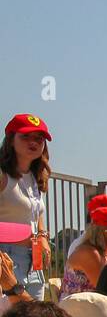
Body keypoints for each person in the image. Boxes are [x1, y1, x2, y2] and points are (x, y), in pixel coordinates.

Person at [0, 114, 54, 300]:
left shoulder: (35, 176)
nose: (33, 142)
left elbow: (37, 213)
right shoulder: (3, 175)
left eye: (39, 138)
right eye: (25, 136)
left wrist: (43, 236)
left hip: (33, 260)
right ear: (11, 140)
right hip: (7, 257)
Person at [61, 200, 107, 298]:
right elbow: (105, 289)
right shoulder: (89, 253)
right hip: (78, 310)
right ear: (106, 231)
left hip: (93, 306)